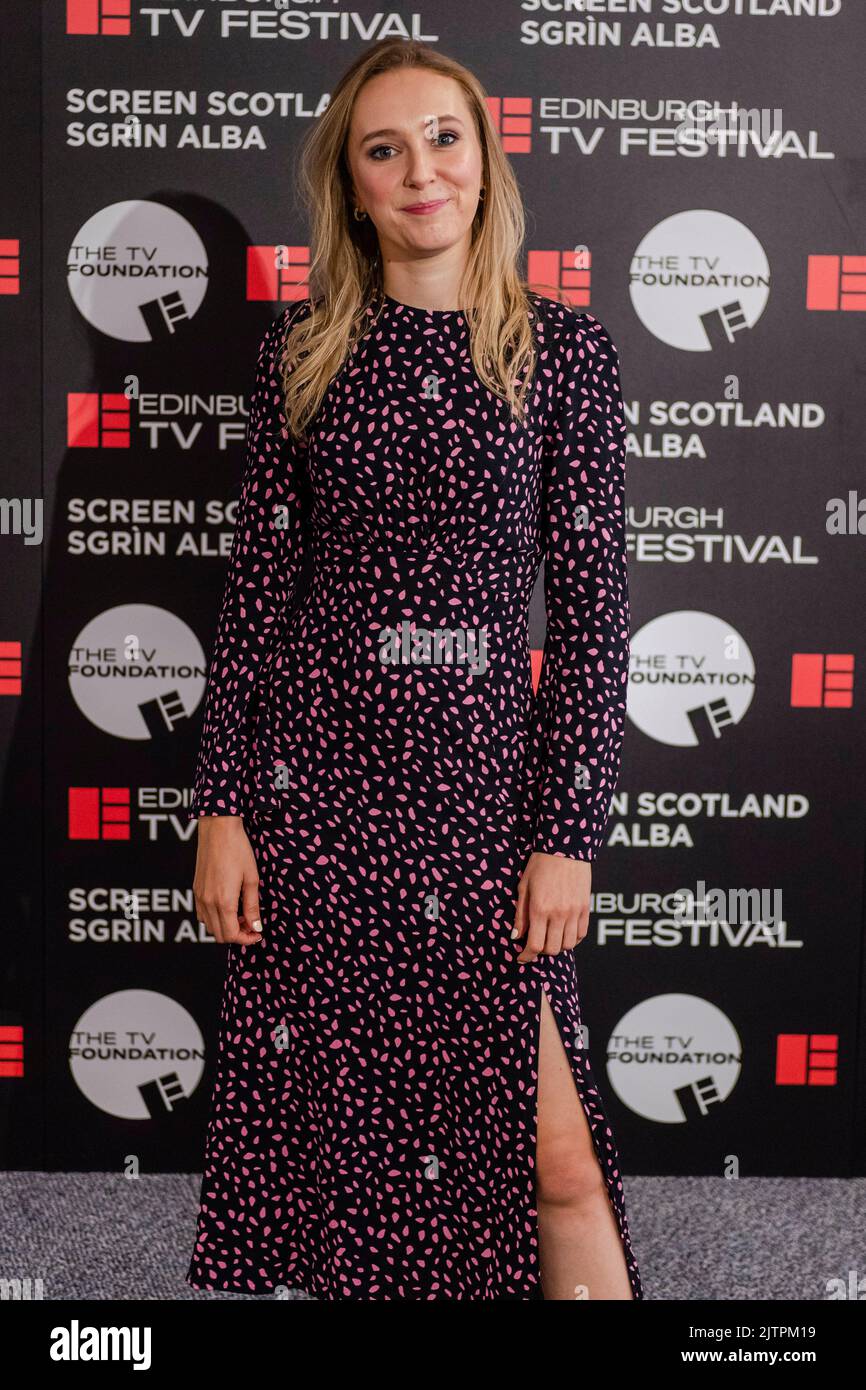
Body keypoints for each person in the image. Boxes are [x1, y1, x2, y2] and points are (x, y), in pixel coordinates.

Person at [187, 36, 642, 1302]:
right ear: (352, 184)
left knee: (556, 1159)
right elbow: (256, 599)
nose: (420, 170)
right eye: (383, 150)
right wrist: (220, 807)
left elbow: (595, 615)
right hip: (318, 801)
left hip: (482, 804)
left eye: (442, 138)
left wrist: (565, 836)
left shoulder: (562, 352)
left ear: (484, 158)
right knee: (356, 1162)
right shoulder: (301, 353)